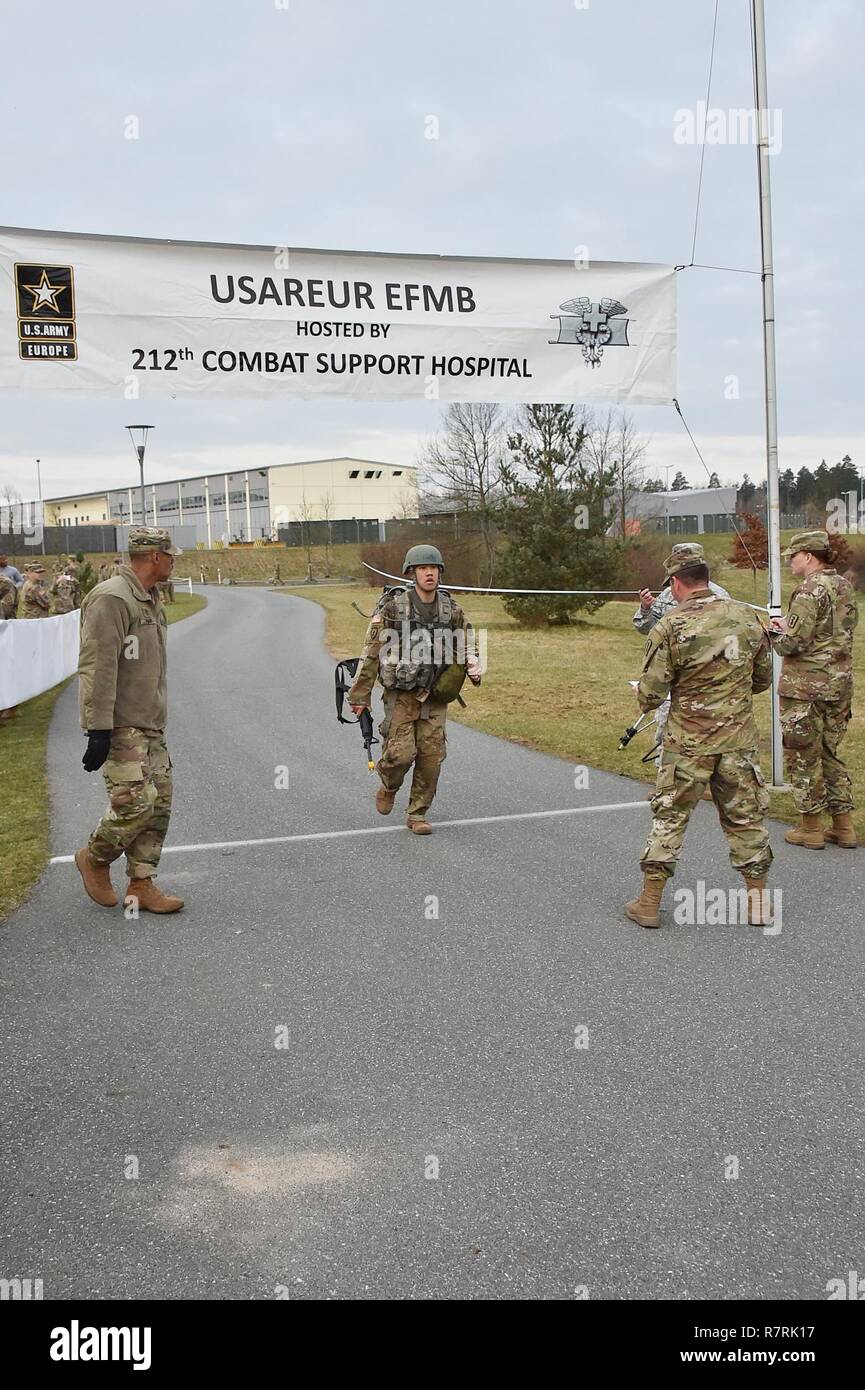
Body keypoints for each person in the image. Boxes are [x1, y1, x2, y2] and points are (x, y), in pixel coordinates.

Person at [625, 548, 774, 928]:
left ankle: (649, 903)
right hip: (738, 741)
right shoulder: (747, 617)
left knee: (670, 817)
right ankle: (758, 903)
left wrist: (648, 692)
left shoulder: (670, 626)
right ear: (706, 578)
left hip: (687, 745)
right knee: (746, 820)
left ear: (676, 583)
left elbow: (651, 695)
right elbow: (762, 679)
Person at [75, 526, 184, 913]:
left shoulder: (151, 598)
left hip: (150, 722)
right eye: (170, 555)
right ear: (155, 556)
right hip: (121, 724)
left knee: (159, 805)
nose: (174, 562)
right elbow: (97, 667)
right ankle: (94, 858)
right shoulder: (112, 598)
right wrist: (98, 728)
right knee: (135, 804)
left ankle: (141, 884)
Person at [348, 544, 482, 834]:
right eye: (423, 568)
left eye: (433, 568)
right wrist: (360, 694)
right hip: (402, 696)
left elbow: (466, 638)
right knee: (401, 755)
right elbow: (372, 652)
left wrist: (472, 659)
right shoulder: (394, 608)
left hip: (434, 695)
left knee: (431, 758)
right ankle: (389, 785)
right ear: (412, 573)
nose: (429, 573)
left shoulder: (450, 609)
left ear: (440, 572)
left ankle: (417, 814)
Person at [769, 529, 859, 849]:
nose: (790, 562)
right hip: (839, 685)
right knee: (831, 753)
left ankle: (811, 828)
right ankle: (844, 827)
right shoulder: (844, 586)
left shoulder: (808, 590)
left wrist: (773, 633)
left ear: (808, 556)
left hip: (805, 688)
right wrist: (791, 627)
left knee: (803, 756)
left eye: (793, 557)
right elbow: (832, 631)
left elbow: (793, 643)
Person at [633, 543, 731, 763]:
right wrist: (646, 608)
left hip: (712, 684)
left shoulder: (720, 596)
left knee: (713, 742)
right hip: (674, 685)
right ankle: (665, 771)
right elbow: (648, 628)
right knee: (666, 737)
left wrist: (646, 692)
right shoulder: (668, 594)